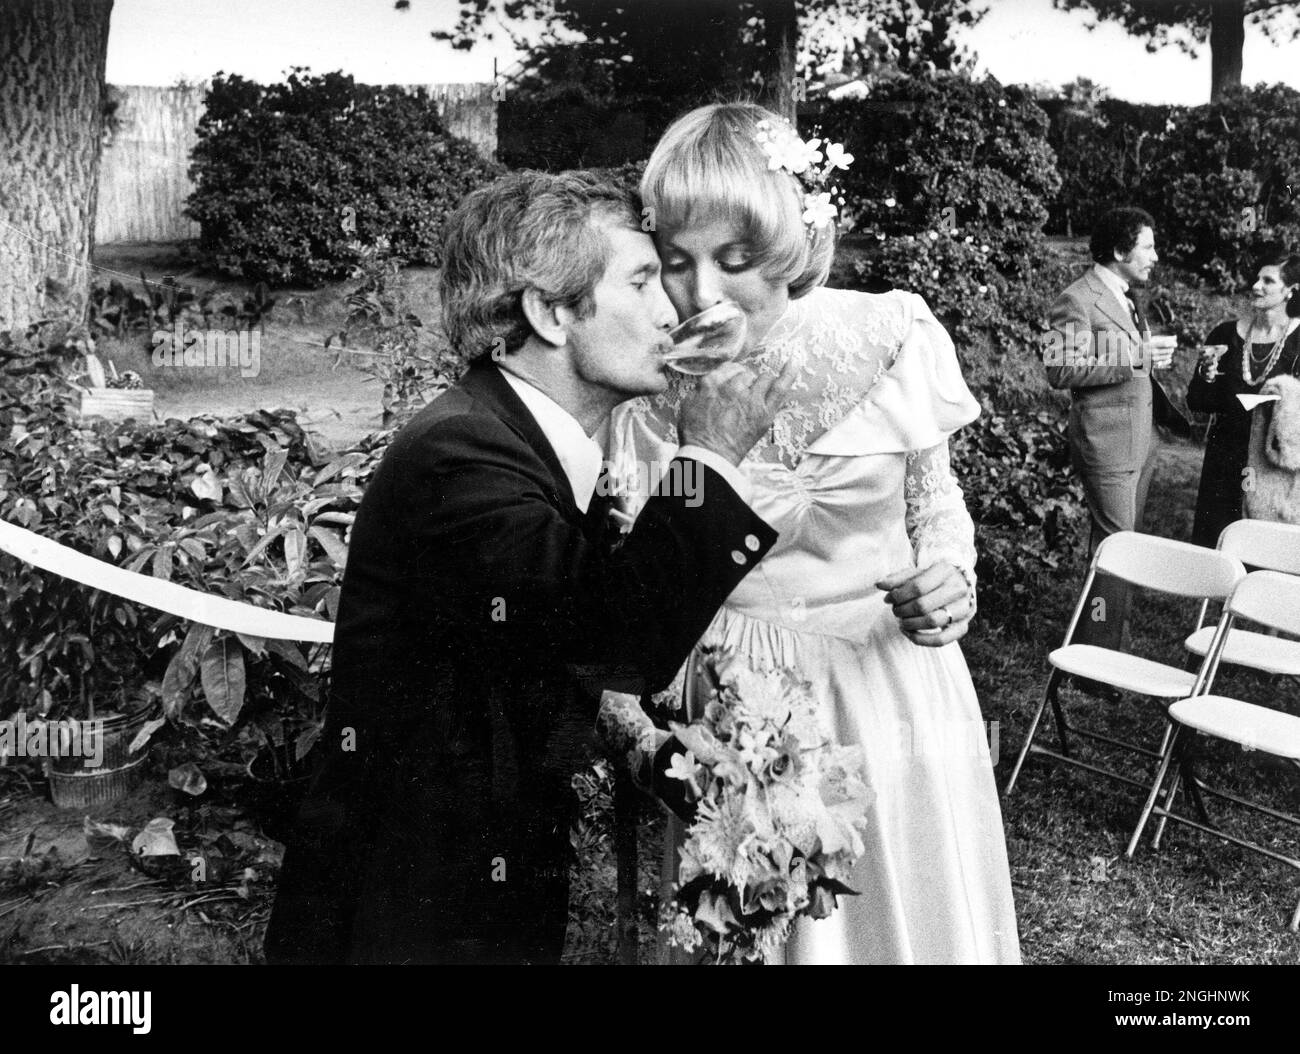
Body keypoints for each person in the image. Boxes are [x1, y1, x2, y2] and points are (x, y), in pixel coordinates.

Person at [264, 170, 795, 964]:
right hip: (408, 906)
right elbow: (612, 637)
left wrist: (643, 741)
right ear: (550, 313)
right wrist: (708, 456)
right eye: (643, 280)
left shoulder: (512, 439)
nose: (672, 308)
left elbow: (547, 644)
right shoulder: (463, 456)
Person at [601, 102, 1020, 964]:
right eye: (676, 261)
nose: (702, 293)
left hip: (881, 682)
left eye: (735, 260)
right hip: (726, 695)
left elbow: (935, 506)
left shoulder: (889, 334)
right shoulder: (648, 380)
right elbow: (639, 568)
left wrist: (948, 577)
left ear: (792, 244)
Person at [1045, 207, 1190, 654]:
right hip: (1106, 444)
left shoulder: (1124, 294)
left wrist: (1146, 359)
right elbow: (1059, 367)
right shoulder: (1078, 298)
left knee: (1122, 544)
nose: (1155, 256)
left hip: (1139, 441)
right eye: (1147, 246)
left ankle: (1108, 638)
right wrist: (1136, 357)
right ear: (1118, 250)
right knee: (1115, 548)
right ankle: (1098, 657)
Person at [1188, 251, 1300, 547]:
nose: (1256, 286)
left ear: (1292, 290)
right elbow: (1197, 401)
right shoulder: (1225, 333)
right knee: (1219, 539)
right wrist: (1206, 375)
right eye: (1256, 278)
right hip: (1225, 454)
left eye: (1267, 281)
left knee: (1264, 545)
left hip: (1272, 461)